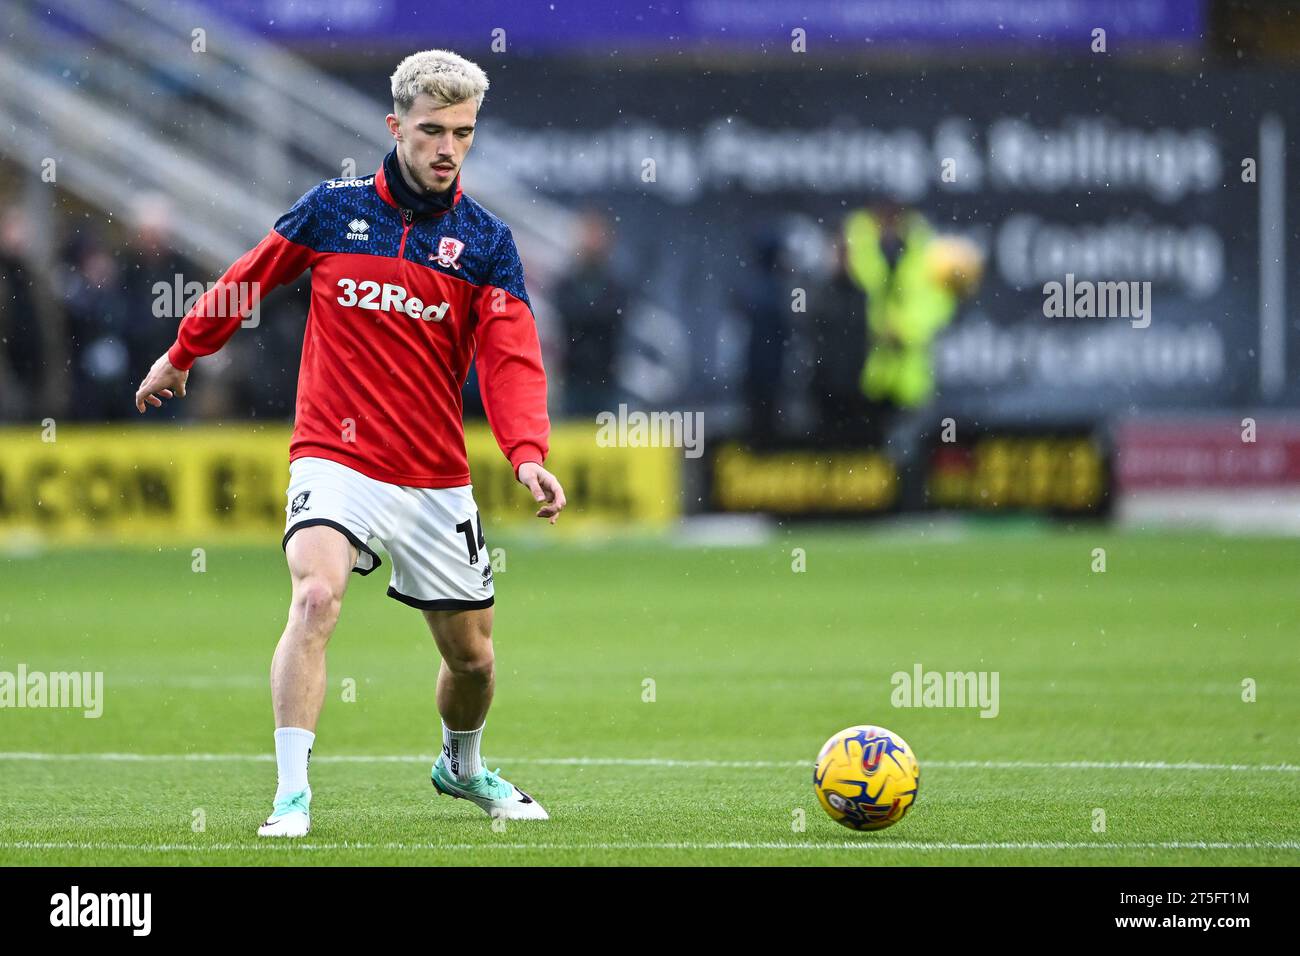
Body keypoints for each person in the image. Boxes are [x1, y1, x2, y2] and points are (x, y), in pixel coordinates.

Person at [133, 49, 567, 837]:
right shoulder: (332, 210)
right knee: (316, 594)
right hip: (335, 456)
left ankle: (460, 765)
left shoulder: (487, 244)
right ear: (394, 126)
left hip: (434, 476)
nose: (448, 148)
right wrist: (181, 354)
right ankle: (291, 796)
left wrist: (527, 453)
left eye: (463, 134)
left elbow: (511, 357)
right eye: (432, 130)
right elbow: (249, 278)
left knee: (473, 659)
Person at [553, 210, 626, 416]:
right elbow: (570, 313)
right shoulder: (567, 282)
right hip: (575, 377)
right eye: (588, 234)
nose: (592, 241)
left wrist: (586, 316)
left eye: (596, 235)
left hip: (605, 377)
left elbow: (610, 316)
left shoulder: (614, 283)